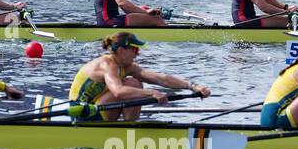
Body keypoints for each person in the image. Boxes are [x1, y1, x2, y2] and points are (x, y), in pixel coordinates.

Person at [68, 32, 211, 122]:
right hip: (83, 113)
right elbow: (118, 91)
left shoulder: (127, 66)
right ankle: (130, 129)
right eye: (135, 49)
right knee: (133, 84)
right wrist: (152, 93)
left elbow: (162, 79)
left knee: (133, 82)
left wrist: (193, 86)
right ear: (122, 50)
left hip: (98, 107)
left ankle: (130, 126)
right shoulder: (107, 64)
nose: (138, 54)